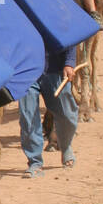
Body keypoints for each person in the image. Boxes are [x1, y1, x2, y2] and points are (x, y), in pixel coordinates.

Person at [17, 40, 79, 176]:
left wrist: (69, 62)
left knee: (67, 113)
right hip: (26, 70)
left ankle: (66, 145)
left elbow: (69, 31)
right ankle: (35, 161)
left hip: (56, 68)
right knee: (28, 116)